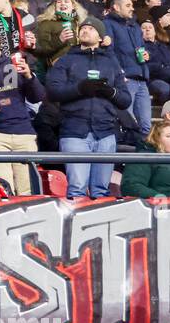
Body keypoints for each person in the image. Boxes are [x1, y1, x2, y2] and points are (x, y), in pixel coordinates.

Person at [45, 17, 132, 199]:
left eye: (91, 29)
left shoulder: (111, 62)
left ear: (100, 37)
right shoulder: (66, 60)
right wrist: (80, 89)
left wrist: (110, 91)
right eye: (83, 28)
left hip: (106, 131)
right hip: (74, 130)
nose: (85, 30)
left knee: (101, 191)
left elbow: (125, 100)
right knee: (76, 189)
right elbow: (52, 91)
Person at [0, 27, 43, 195]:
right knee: (4, 189)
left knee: (27, 190)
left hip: (23, 132)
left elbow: (37, 97)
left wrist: (29, 76)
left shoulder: (13, 64)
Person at [103, 0, 152, 136]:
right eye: (128, 5)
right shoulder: (107, 24)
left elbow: (142, 47)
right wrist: (119, 73)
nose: (132, 8)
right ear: (116, 7)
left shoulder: (135, 26)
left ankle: (145, 155)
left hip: (141, 78)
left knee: (146, 125)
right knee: (127, 122)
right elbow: (109, 51)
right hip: (125, 79)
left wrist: (147, 54)